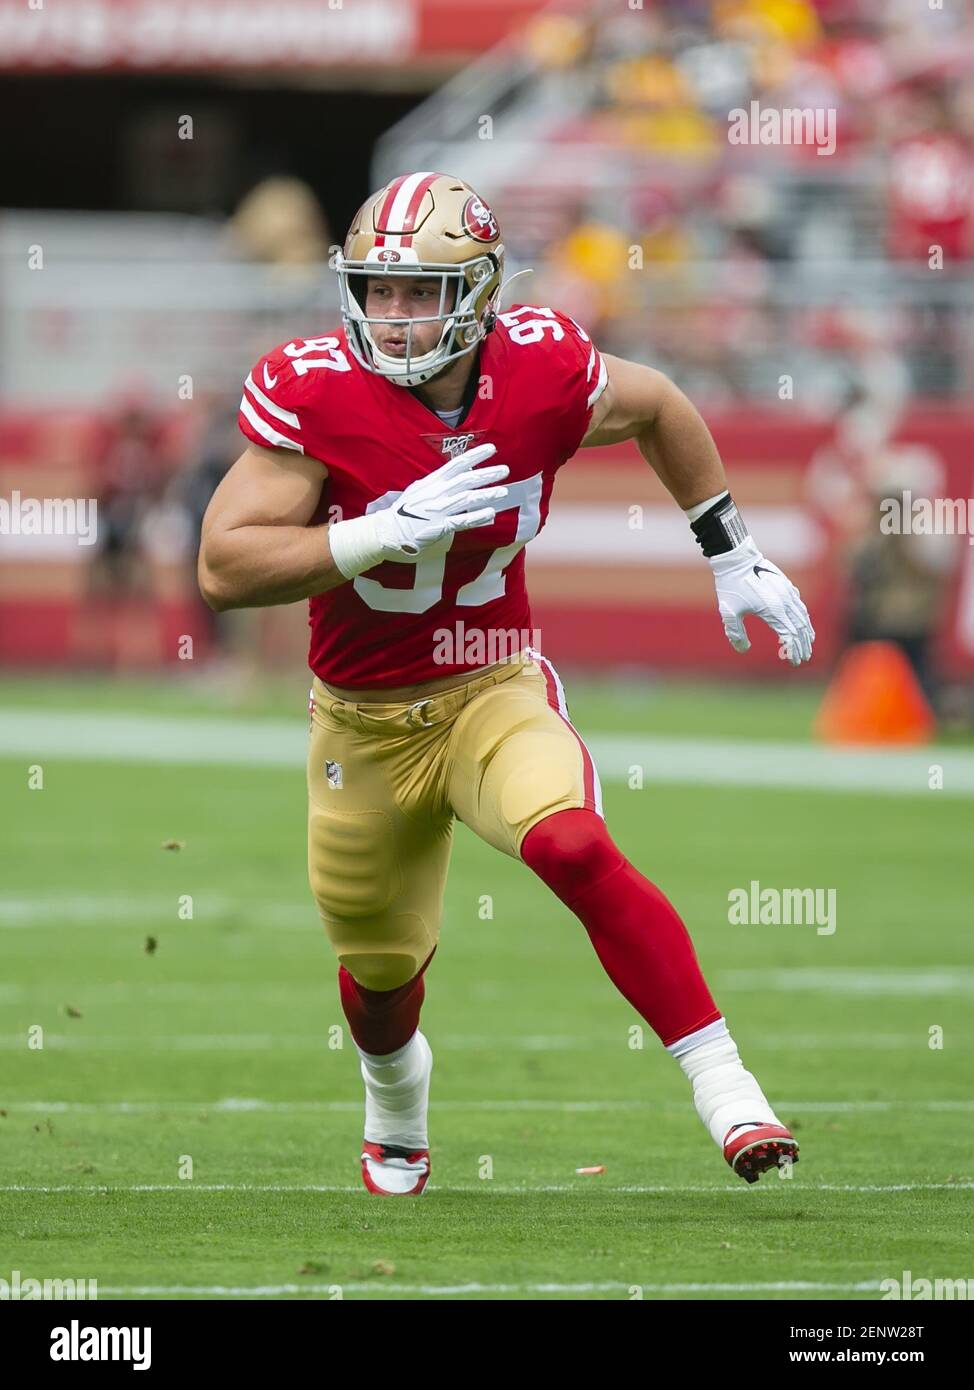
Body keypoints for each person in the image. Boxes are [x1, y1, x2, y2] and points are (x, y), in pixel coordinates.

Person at [198, 173, 815, 1196]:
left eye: (420, 292)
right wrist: (370, 531)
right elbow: (223, 567)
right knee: (380, 972)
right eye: (377, 290)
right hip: (362, 724)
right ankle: (395, 1099)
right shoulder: (317, 387)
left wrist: (728, 550)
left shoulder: (539, 365)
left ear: (478, 293)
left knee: (570, 840)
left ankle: (727, 1088)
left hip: (492, 687)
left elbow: (658, 402)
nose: (392, 317)